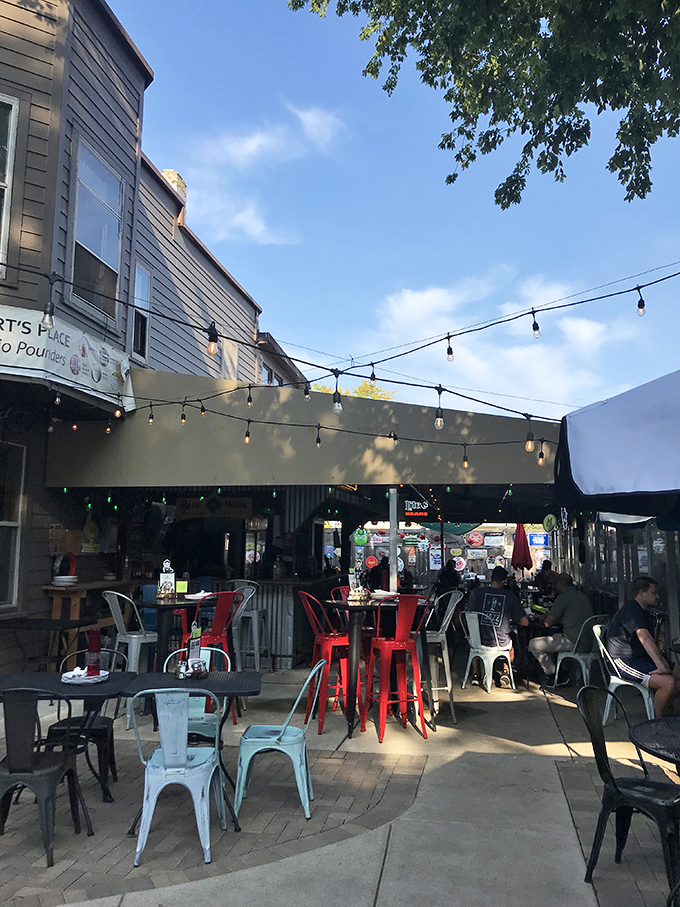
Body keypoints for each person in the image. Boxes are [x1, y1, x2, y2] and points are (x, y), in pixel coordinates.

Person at [606, 576, 680, 718]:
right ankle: (657, 722)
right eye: (653, 593)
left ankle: (661, 708)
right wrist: (662, 666)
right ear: (641, 592)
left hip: (641, 658)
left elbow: (650, 643)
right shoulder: (632, 611)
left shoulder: (642, 611)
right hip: (624, 660)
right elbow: (644, 638)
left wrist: (664, 663)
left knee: (677, 672)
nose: (657, 597)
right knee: (668, 682)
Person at [466, 565, 528, 686]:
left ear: (491, 578)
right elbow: (525, 622)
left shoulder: (477, 593)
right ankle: (506, 671)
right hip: (500, 643)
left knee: (471, 642)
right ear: (505, 581)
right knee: (511, 648)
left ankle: (476, 673)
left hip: (479, 641)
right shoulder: (509, 596)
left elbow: (469, 613)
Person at [528, 573, 593, 685]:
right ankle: (563, 670)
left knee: (534, 644)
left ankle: (554, 674)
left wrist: (543, 617)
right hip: (589, 641)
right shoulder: (582, 596)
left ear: (559, 585)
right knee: (556, 637)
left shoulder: (562, 598)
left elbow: (548, 623)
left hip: (573, 641)